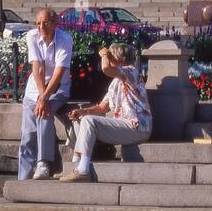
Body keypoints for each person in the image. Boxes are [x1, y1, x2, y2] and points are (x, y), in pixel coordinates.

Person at [59, 43, 152, 182]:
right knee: (82, 119)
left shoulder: (131, 71)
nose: (108, 57)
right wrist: (82, 111)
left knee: (89, 121)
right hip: (123, 125)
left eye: (110, 55)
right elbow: (102, 107)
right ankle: (74, 166)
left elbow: (106, 68)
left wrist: (103, 54)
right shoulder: (116, 82)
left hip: (137, 127)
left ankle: (83, 170)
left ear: (121, 59)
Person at [17, 7, 73, 180]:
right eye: (38, 23)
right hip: (35, 89)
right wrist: (42, 96)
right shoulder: (32, 36)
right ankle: (23, 176)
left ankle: (44, 163)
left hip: (58, 88)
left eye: (45, 23)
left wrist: (46, 98)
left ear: (56, 23)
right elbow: (38, 66)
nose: (41, 27)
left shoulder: (65, 39)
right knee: (28, 133)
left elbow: (59, 71)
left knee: (44, 114)